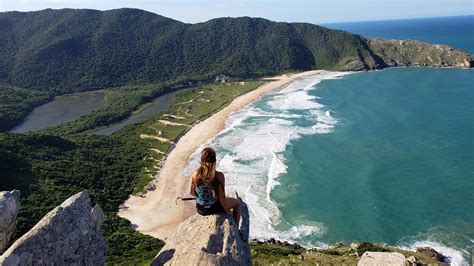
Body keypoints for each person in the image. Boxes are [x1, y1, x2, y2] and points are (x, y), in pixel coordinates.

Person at [189, 147, 241, 227]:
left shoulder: (195, 174)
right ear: (215, 160)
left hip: (201, 209)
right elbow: (221, 197)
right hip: (213, 208)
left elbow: (191, 192)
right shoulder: (219, 176)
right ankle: (236, 229)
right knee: (237, 203)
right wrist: (226, 210)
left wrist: (201, 197)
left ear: (202, 160)